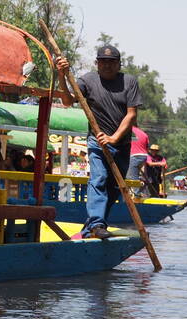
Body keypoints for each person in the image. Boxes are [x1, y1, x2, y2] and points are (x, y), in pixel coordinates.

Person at [54, 44, 141, 240]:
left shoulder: (129, 82)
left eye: (111, 62)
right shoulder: (88, 80)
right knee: (98, 178)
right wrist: (62, 75)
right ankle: (97, 223)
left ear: (119, 64)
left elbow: (131, 115)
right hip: (97, 142)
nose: (107, 66)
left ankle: (91, 228)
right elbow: (68, 101)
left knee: (114, 188)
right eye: (103, 62)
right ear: (97, 63)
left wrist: (114, 138)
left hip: (121, 143)